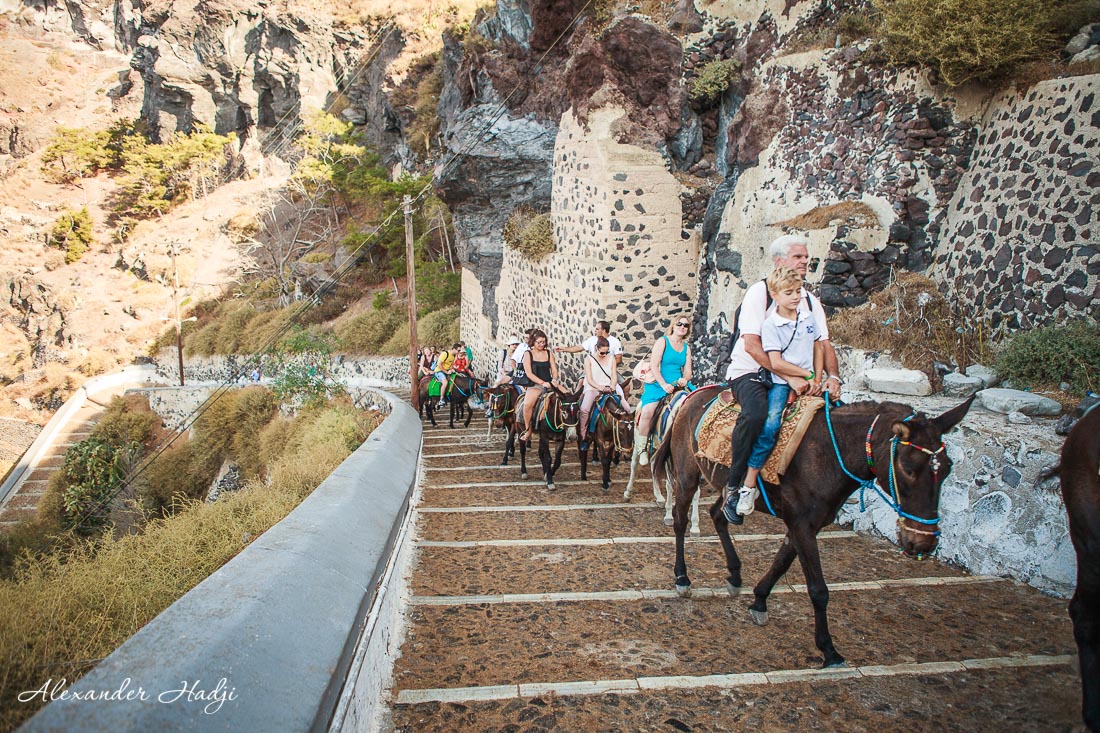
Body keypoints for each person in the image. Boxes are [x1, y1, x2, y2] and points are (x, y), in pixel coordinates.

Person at [721, 233, 843, 525]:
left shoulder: (809, 301)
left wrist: (832, 377)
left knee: (838, 418)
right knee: (756, 416)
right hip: (752, 371)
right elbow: (752, 346)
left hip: (796, 375)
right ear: (778, 261)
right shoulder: (759, 294)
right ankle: (735, 486)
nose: (805, 261)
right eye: (798, 256)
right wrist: (790, 378)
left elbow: (823, 342)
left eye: (806, 257)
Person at [731, 267, 824, 519]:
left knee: (834, 419)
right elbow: (776, 362)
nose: (795, 297)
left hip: (809, 379)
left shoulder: (808, 318)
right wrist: (804, 376)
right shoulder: (771, 325)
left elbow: (818, 346)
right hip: (783, 381)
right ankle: (749, 483)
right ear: (775, 295)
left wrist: (818, 378)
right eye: (788, 292)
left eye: (798, 291)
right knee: (771, 424)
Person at [634, 316, 694, 465]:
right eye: (679, 323)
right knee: (647, 411)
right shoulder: (663, 342)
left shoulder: (686, 348)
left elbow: (688, 371)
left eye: (686, 325)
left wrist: (685, 379)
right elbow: (654, 366)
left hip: (677, 384)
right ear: (673, 325)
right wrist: (664, 385)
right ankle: (642, 448)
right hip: (658, 383)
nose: (682, 327)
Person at [519, 329, 560, 442]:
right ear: (533, 342)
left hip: (550, 383)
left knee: (568, 397)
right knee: (527, 405)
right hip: (535, 384)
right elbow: (529, 374)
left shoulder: (548, 353)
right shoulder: (528, 354)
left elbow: (554, 369)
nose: (542, 344)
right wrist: (542, 383)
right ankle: (528, 430)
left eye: (544, 342)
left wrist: (554, 379)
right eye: (539, 342)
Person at [579, 336, 619, 450]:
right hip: (593, 387)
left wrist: (612, 386)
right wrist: (600, 387)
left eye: (607, 352)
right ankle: (584, 437)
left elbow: (614, 375)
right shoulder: (589, 359)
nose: (604, 355)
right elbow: (590, 379)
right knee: (584, 409)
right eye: (602, 353)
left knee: (625, 408)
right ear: (597, 348)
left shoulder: (611, 358)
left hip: (609, 387)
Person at [557, 320, 623, 367]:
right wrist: (564, 349)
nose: (595, 330)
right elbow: (579, 348)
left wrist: (605, 366)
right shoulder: (592, 339)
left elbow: (619, 359)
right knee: (581, 381)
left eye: (597, 329)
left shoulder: (615, 341)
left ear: (604, 330)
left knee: (623, 383)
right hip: (592, 368)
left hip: (609, 369)